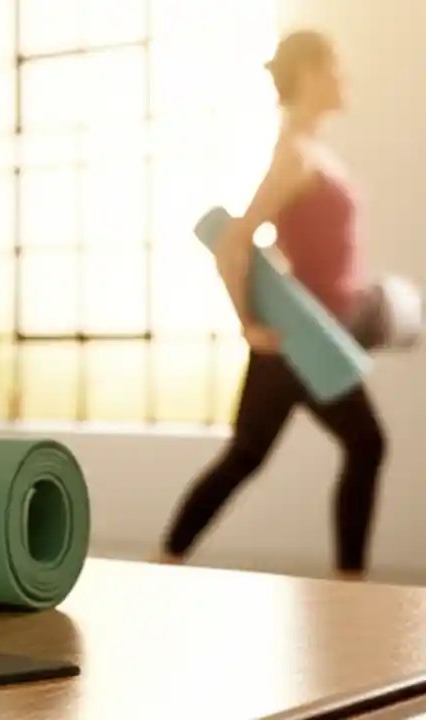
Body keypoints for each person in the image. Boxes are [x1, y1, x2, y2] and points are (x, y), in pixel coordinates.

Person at [160, 30, 387, 579]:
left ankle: (166, 558)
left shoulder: (309, 152)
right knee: (364, 443)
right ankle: (350, 584)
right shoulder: (293, 156)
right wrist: (248, 325)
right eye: (337, 67)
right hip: (300, 342)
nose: (345, 79)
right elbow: (234, 242)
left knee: (247, 455)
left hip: (318, 335)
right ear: (310, 72)